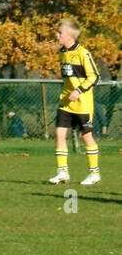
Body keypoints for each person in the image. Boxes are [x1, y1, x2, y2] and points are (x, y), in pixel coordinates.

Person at [48, 19, 102, 186]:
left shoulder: (83, 53)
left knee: (86, 136)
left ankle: (94, 173)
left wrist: (78, 91)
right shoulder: (62, 52)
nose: (57, 35)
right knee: (59, 134)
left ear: (69, 36)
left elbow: (95, 76)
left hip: (82, 103)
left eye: (60, 33)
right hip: (65, 101)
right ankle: (62, 172)